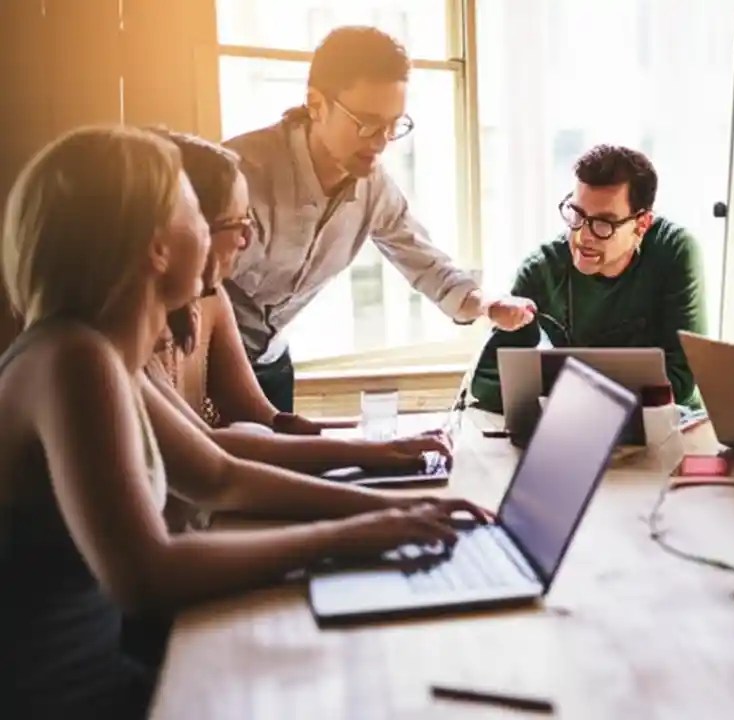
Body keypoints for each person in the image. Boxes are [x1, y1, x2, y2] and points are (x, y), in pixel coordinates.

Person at [0, 125, 486, 717]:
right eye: (198, 215)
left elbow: (219, 475)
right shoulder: (74, 362)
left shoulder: (96, 353)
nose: (222, 234)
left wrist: (394, 510)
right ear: (156, 246)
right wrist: (345, 538)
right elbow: (145, 576)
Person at [223, 26, 536, 413]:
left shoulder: (374, 188)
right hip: (199, 361)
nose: (381, 141)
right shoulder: (239, 175)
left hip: (270, 362)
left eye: (394, 124)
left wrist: (488, 305)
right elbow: (194, 294)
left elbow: (429, 266)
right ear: (316, 103)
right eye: (367, 123)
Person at [148, 129, 449, 478]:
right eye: (237, 223)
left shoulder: (211, 299)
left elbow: (259, 419)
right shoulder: (120, 342)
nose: (247, 239)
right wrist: (368, 458)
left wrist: (350, 445)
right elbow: (212, 457)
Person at [469, 144, 708, 410]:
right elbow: (488, 382)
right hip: (576, 421)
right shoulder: (543, 269)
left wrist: (564, 393)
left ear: (641, 224)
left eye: (603, 223)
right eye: (577, 214)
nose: (582, 236)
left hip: (668, 425)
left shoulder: (675, 251)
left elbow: (681, 381)